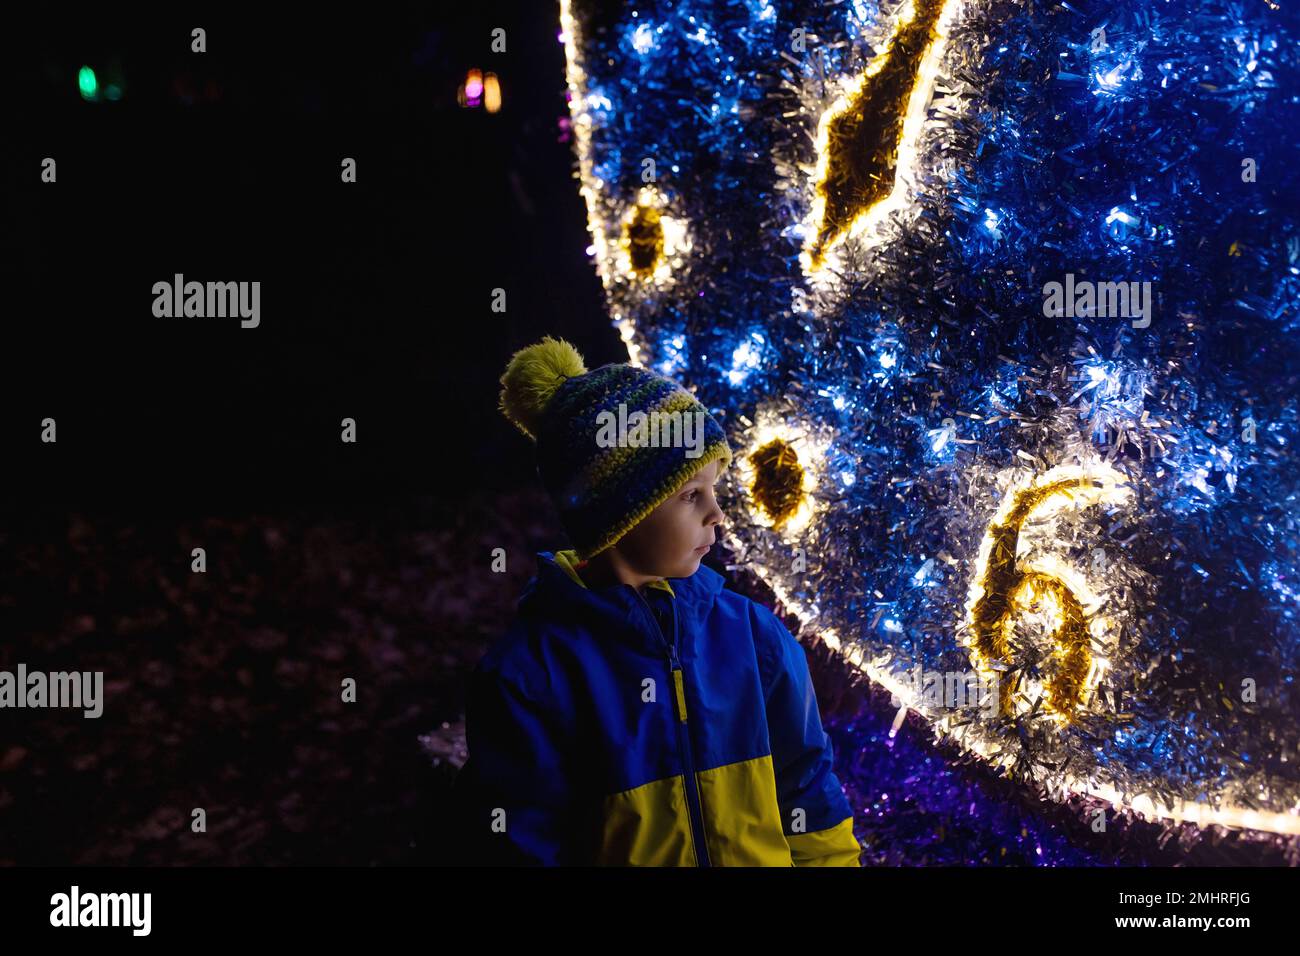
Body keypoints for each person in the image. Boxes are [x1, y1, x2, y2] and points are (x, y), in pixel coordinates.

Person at [448, 336, 861, 866]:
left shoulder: (755, 638)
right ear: (618, 513)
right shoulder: (530, 678)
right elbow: (519, 845)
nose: (717, 514)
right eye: (691, 494)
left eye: (714, 489)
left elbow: (808, 794)